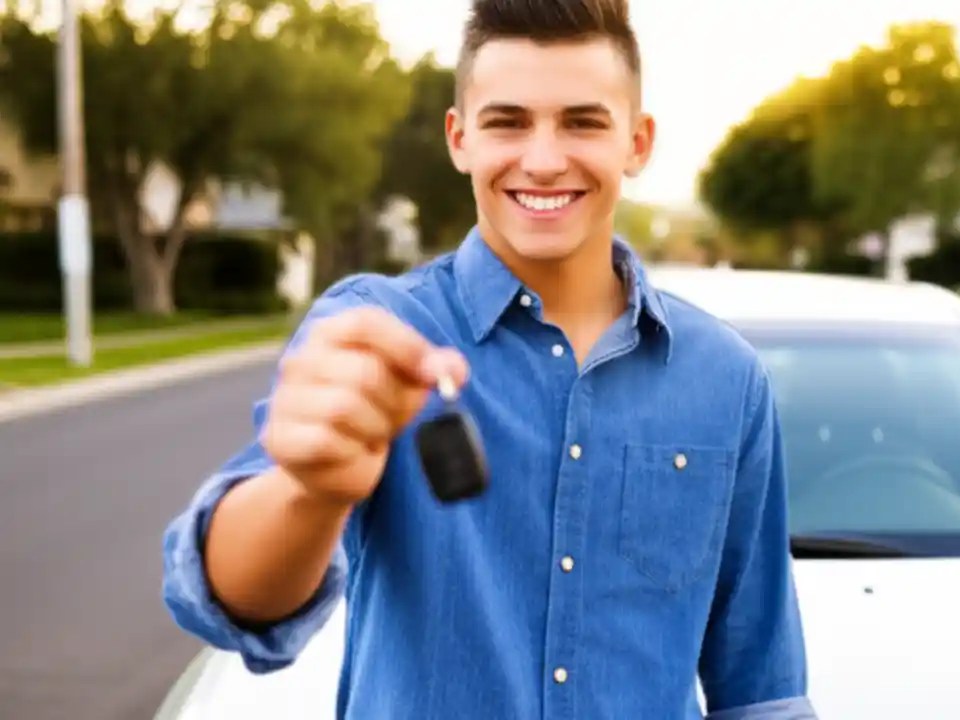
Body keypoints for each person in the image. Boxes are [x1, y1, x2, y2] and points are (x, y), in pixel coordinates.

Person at [160, 0, 816, 717]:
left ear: (637, 140)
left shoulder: (727, 378)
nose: (541, 160)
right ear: (460, 137)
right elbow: (223, 603)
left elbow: (763, 692)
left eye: (582, 121)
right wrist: (309, 492)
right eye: (508, 121)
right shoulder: (377, 330)